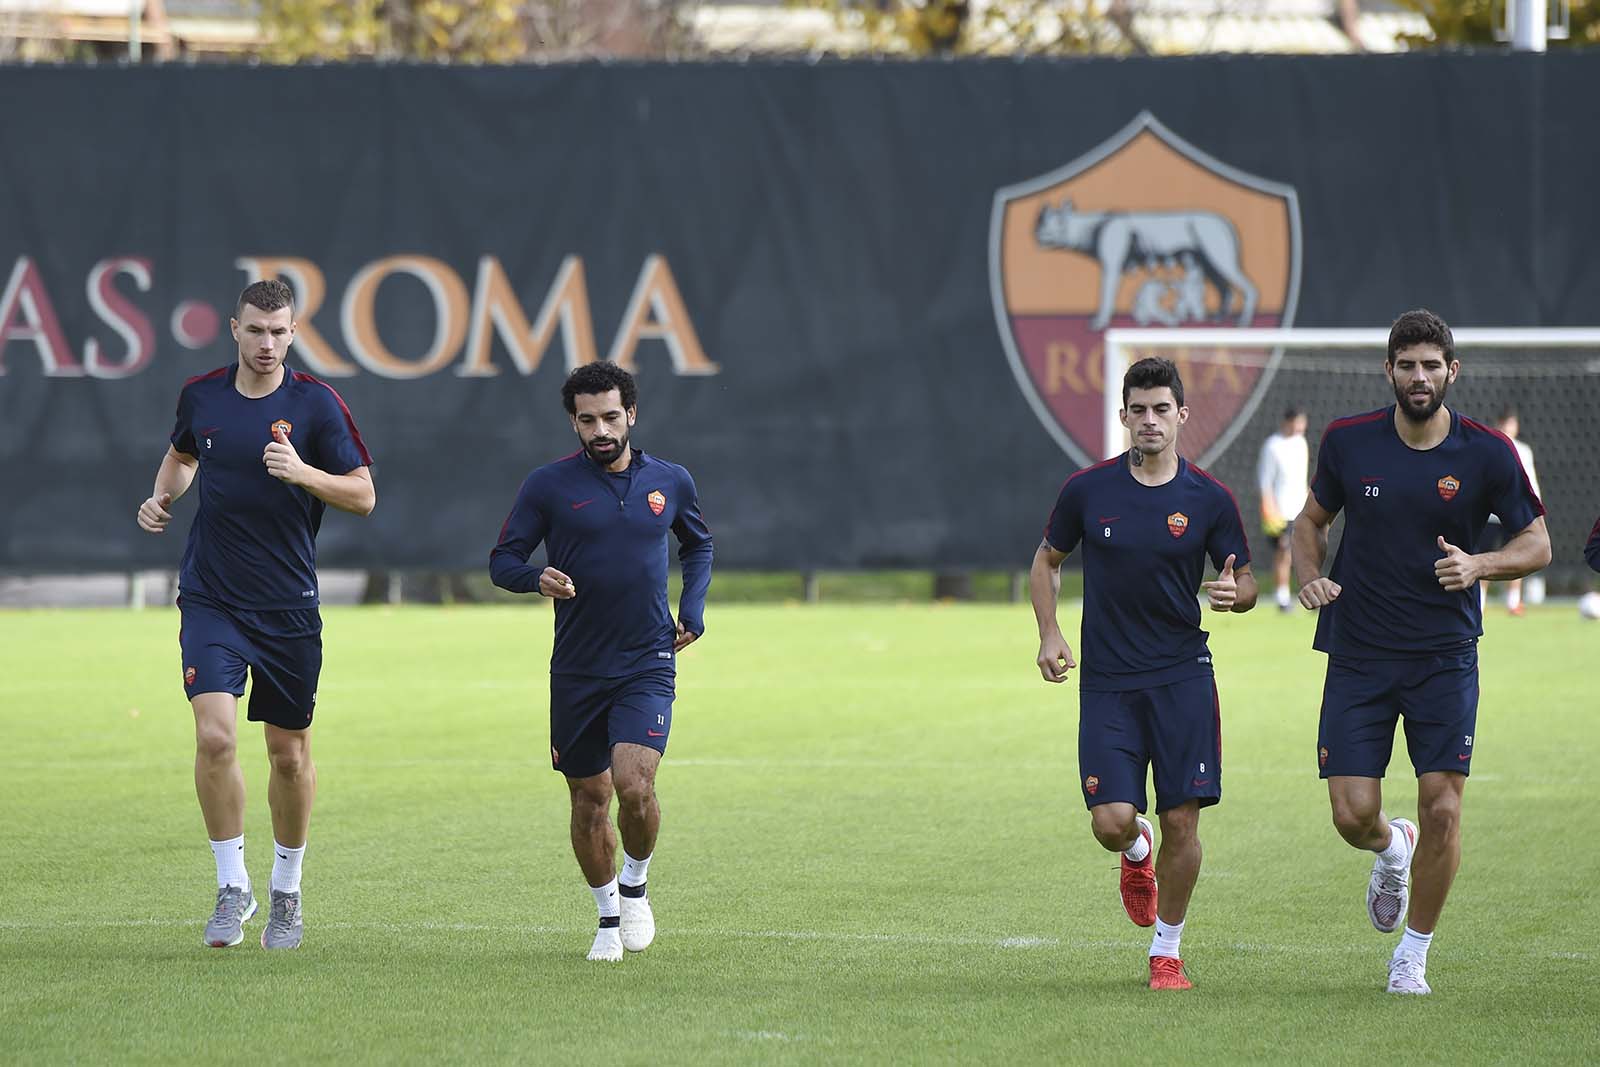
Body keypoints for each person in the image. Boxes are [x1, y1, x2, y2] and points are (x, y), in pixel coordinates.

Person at [1292, 309, 1549, 995]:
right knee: (1351, 813)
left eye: (1431, 364)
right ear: (1389, 370)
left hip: (1444, 657)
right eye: (1407, 364)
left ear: (1451, 372)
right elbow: (1308, 524)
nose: (1419, 376)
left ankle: (1413, 952)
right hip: (1359, 653)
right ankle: (1389, 846)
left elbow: (1539, 544)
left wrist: (1481, 564)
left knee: (1443, 807)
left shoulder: (1488, 452)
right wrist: (1307, 572)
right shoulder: (1348, 442)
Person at [136, 279, 375, 950]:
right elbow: (183, 457)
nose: (266, 343)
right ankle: (230, 883)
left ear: (292, 335)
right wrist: (162, 497)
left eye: (279, 332)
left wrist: (304, 473)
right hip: (211, 596)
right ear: (234, 330)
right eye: (255, 331)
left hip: (287, 606)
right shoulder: (203, 396)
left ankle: (288, 891)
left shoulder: (317, 405)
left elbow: (363, 495)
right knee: (215, 738)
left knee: (288, 754)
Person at [1030, 357, 1256, 992]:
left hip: (1183, 678)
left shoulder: (1210, 499)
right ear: (1122, 416)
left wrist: (1238, 593)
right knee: (1110, 821)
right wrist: (1050, 633)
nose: (1150, 420)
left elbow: (1248, 579)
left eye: (1162, 409)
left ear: (1182, 416)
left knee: (1185, 821)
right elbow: (1045, 562)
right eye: (1139, 410)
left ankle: (1167, 949)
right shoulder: (1087, 490)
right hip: (1108, 681)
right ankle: (1135, 850)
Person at [490, 361, 713, 962]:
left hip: (647, 659)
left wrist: (692, 606)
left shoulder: (671, 480)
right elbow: (502, 559)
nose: (600, 429)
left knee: (633, 786)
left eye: (611, 416)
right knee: (589, 801)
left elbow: (698, 543)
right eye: (587, 420)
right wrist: (536, 577)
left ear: (631, 414)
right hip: (578, 670)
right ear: (574, 422)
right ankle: (608, 917)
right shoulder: (548, 486)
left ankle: (635, 884)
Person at [1482, 407, 1544, 615]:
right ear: (1498, 423)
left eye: (1511, 423)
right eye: (1504, 423)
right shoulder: (1490, 447)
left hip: (1514, 515)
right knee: (1484, 556)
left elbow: (1530, 481)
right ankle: (1479, 602)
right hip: (1490, 515)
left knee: (1517, 555)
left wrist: (1536, 507)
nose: (1508, 427)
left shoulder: (1523, 450)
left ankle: (1513, 602)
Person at [1257, 407, 1310, 611]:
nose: (1300, 427)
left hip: (1300, 509)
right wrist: (1269, 510)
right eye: (1297, 422)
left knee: (1303, 552)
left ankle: (1308, 594)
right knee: (1284, 553)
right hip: (1280, 511)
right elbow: (1265, 482)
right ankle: (1282, 598)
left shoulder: (1301, 444)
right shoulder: (1272, 446)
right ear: (1287, 422)